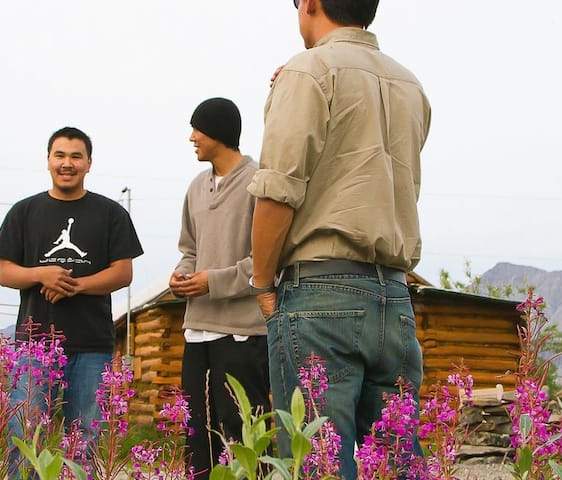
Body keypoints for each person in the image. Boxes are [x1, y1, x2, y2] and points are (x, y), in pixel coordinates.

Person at [246, 0, 431, 477]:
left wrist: (262, 283)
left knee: (319, 461)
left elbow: (278, 191)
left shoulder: (307, 72)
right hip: (395, 295)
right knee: (396, 461)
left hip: (320, 294)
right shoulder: (410, 84)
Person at [0, 127, 143, 438]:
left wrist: (74, 285)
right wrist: (42, 274)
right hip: (34, 345)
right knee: (25, 433)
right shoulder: (24, 212)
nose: (67, 164)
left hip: (92, 345)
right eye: (59, 155)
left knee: (85, 438)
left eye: (76, 156)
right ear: (48, 160)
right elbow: (5, 273)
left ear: (89, 163)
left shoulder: (111, 213)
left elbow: (123, 273)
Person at [170, 98, 269, 475]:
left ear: (219, 132)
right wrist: (182, 275)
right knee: (196, 437)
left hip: (242, 333)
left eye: (197, 129)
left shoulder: (259, 182)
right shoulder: (196, 187)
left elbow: (267, 262)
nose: (192, 137)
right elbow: (189, 250)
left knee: (244, 435)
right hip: (197, 331)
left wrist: (212, 281)